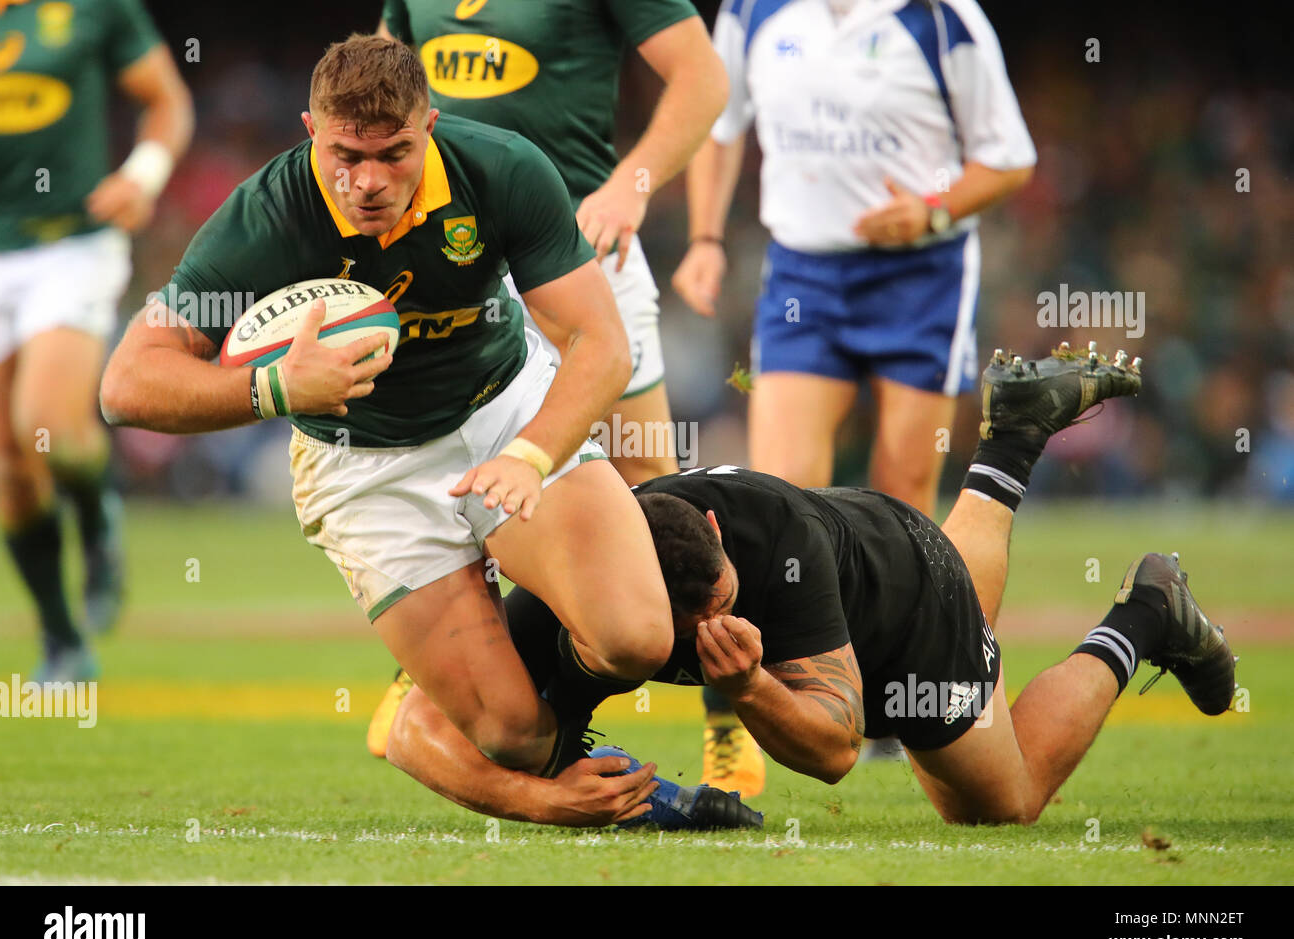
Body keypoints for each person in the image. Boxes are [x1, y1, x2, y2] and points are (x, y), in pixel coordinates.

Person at [99, 35, 675, 779]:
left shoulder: (502, 170)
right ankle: (584, 766)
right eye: (346, 155)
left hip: (500, 406)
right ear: (312, 132)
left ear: (430, 125)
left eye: (393, 153)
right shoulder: (267, 218)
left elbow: (601, 343)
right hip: (361, 463)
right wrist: (274, 390)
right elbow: (125, 384)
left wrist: (532, 455)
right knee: (510, 734)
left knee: (636, 639)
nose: (367, 180)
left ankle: (501, 634)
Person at [382, 343, 1236, 827]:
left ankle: (1146, 611)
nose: (721, 617)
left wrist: (749, 682)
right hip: (856, 545)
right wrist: (536, 800)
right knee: (520, 728)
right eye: (697, 619)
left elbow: (835, 753)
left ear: (717, 537)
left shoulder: (775, 555)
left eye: (725, 597)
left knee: (997, 804)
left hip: (901, 601)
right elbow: (408, 729)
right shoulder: (592, 576)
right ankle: (1009, 441)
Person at [673, 0, 1038, 780]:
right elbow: (719, 120)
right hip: (804, 272)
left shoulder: (943, 18)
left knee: (905, 502)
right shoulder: (753, 11)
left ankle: (912, 700)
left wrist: (933, 207)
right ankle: (771, 711)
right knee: (778, 500)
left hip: (922, 275)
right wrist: (705, 238)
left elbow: (1009, 158)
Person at [367, 0, 730, 762]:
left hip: (577, 255)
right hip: (457, 262)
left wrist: (633, 183)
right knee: (457, 469)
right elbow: (377, 89)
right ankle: (443, 673)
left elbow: (703, 77)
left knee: (657, 490)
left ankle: (729, 710)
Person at [0, 0, 192, 681]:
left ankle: (95, 507)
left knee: (43, 422)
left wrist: (142, 177)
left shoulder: (89, 7)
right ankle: (61, 638)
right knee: (7, 466)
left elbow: (167, 100)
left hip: (69, 244)